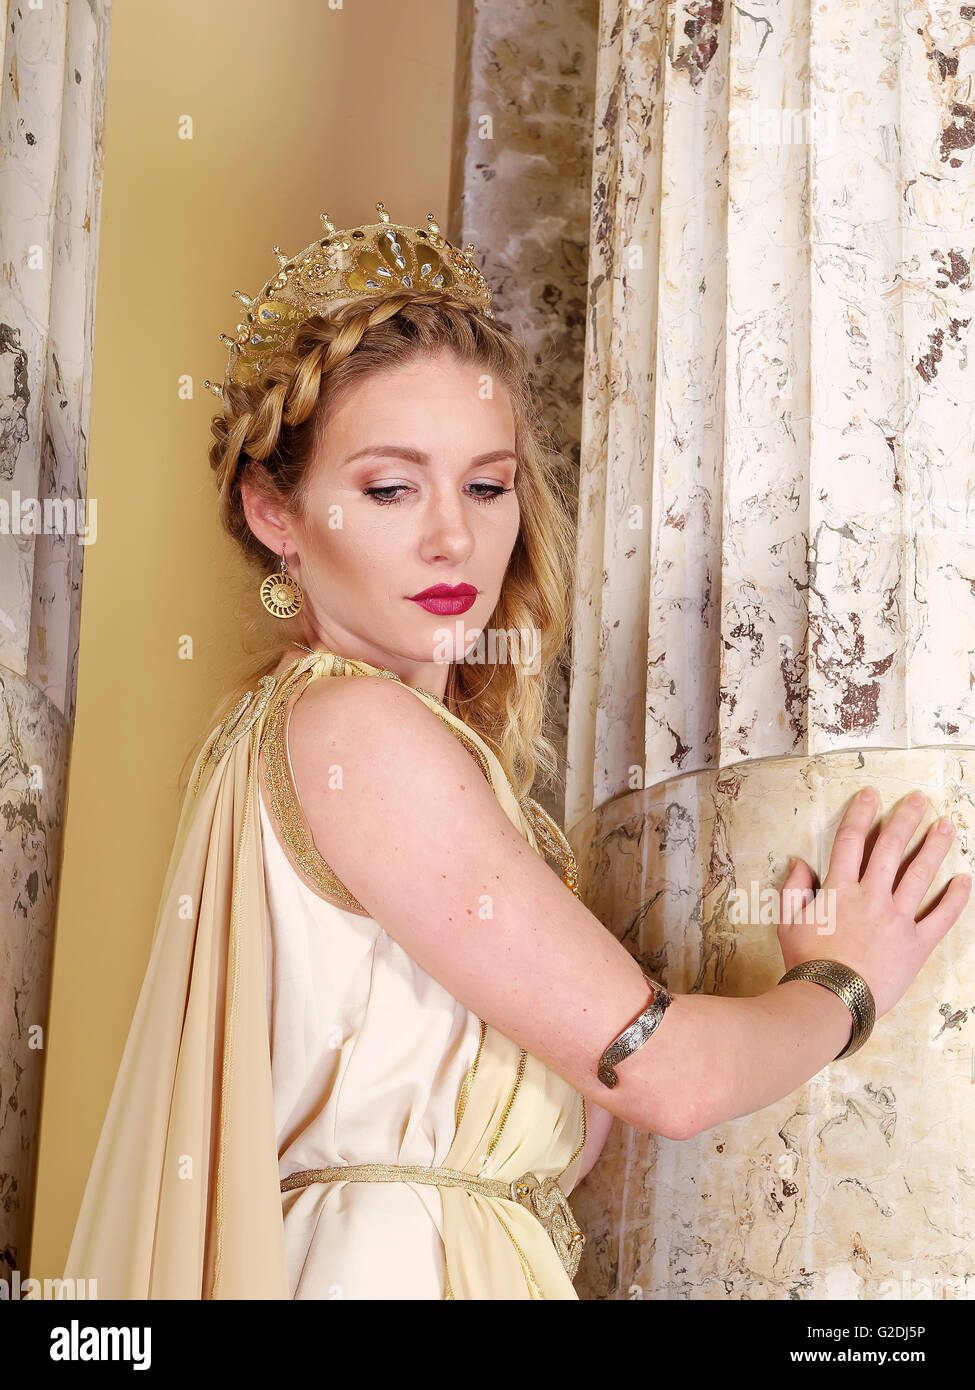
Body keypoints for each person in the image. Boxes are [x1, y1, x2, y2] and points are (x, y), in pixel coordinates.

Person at [63, 204, 971, 1300]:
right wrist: (846, 981)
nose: (453, 535)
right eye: (390, 488)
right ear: (276, 511)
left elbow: (579, 1120)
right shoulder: (352, 730)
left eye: (486, 486)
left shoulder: (347, 748)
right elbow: (666, 1077)